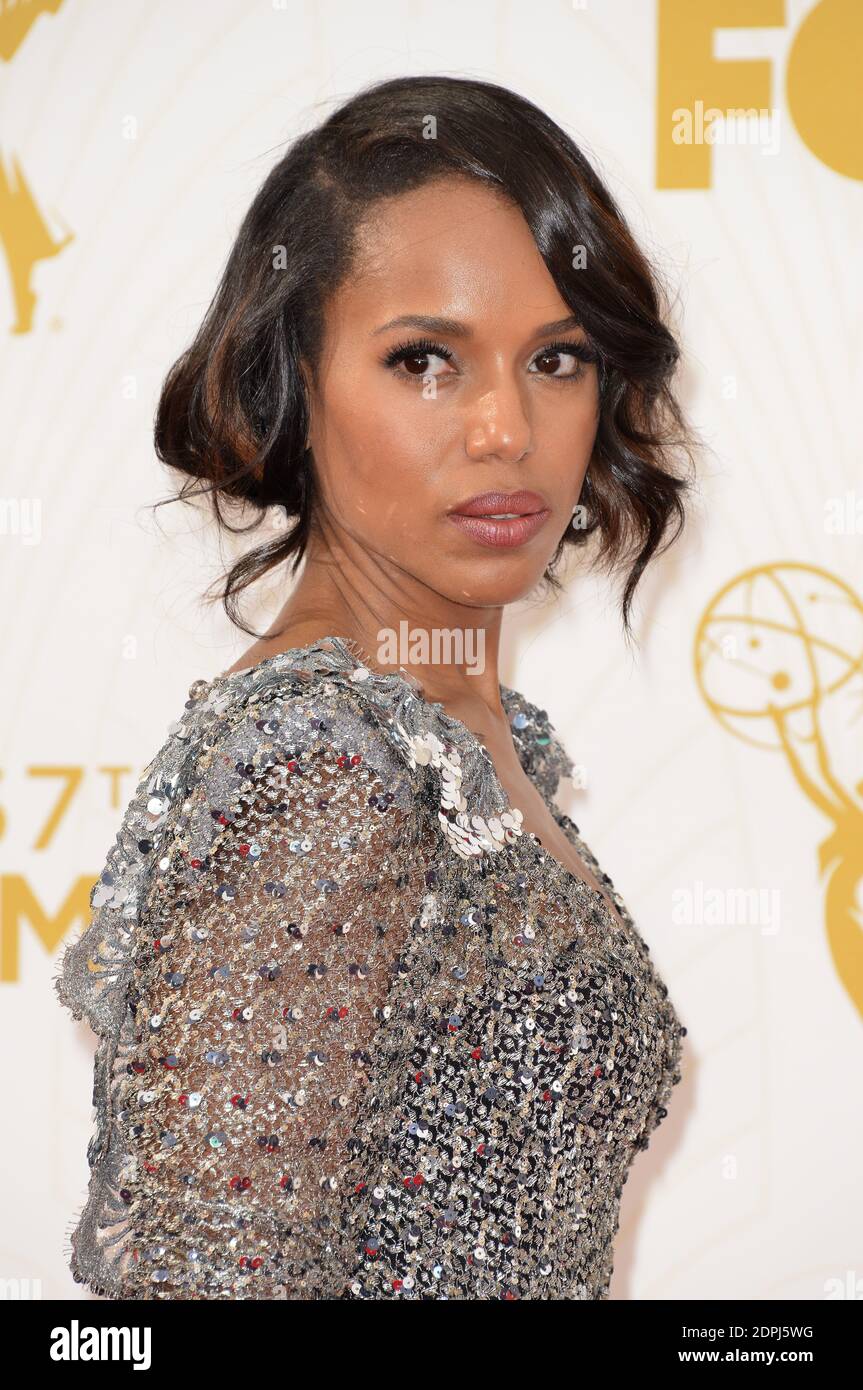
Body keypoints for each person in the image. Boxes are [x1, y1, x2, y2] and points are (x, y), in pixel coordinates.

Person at [55, 74, 696, 1300]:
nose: (505, 427)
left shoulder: (463, 732)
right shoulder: (320, 752)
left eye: (556, 356)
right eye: (424, 361)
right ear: (293, 381)